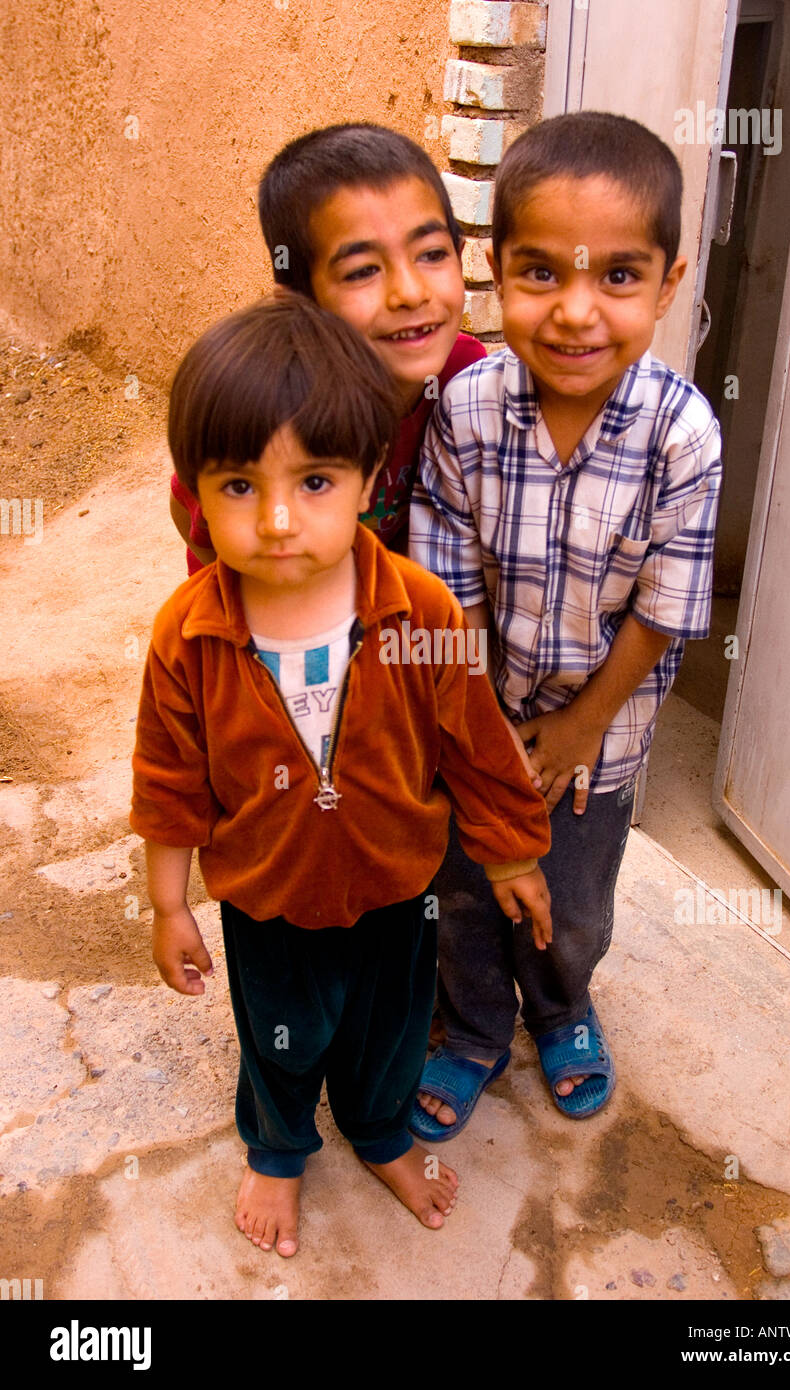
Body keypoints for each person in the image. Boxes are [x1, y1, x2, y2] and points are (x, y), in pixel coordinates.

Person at [131, 295, 552, 1258]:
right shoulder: (188, 632)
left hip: (400, 885)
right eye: (239, 485)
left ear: (368, 480)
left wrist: (515, 855)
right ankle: (278, 1149)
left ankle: (379, 1132)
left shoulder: (420, 609)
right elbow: (167, 780)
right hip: (267, 895)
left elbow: (477, 751)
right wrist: (167, 904)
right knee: (279, 1032)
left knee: (389, 1032)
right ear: (194, 493)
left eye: (313, 479)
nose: (277, 520)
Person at [409, 111, 722, 1138]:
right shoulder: (466, 411)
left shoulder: (680, 433)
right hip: (474, 727)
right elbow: (443, 593)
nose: (575, 313)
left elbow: (667, 609)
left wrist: (582, 727)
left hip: (604, 739)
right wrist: (482, 735)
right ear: (495, 271)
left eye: (617, 278)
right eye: (540, 274)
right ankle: (468, 1029)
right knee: (465, 894)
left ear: (668, 283)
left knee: (572, 905)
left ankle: (560, 1007)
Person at [170, 123, 484, 572]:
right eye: (362, 271)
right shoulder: (268, 403)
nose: (411, 293)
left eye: (432, 254)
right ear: (297, 299)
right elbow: (191, 516)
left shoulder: (465, 375)